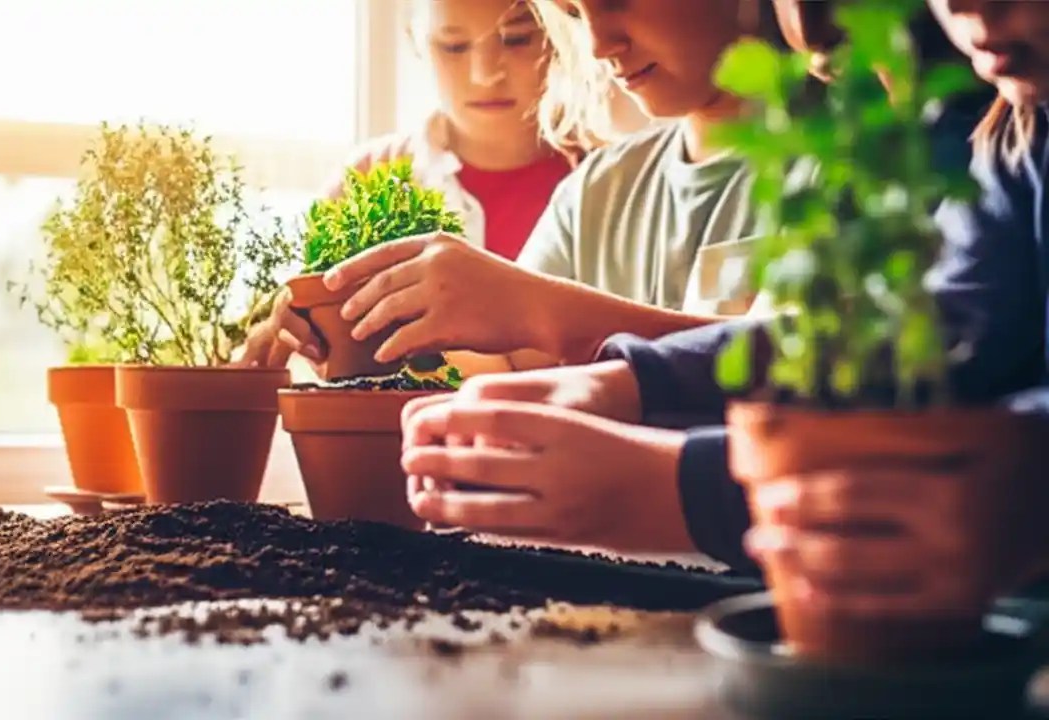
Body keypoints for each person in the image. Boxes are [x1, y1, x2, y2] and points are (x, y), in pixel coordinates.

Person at [400, 0, 1049, 619]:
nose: (971, 12)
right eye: (574, 13)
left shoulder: (905, 142)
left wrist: (676, 486)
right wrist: (631, 381)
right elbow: (950, 330)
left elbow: (977, 442)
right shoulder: (1021, 128)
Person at [312, 0, 789, 374]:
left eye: (617, 0)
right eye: (574, 14)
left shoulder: (844, 168)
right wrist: (347, 333)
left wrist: (540, 309)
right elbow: (506, 369)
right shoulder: (594, 193)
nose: (598, 46)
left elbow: (798, 365)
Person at [236, 0, 622, 372]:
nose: (484, 73)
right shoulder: (370, 177)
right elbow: (302, 334)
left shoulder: (615, 186)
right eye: (453, 46)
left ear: (560, 34)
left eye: (516, 38)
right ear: (415, 42)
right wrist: (291, 327)